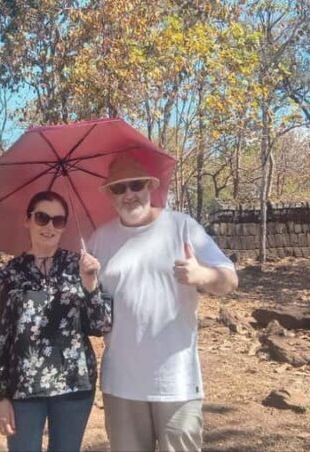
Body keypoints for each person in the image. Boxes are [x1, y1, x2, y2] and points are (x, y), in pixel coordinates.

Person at [87, 154, 238, 452]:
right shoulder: (98, 240)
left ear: (151, 186)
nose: (129, 194)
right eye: (119, 188)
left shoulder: (182, 227)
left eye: (136, 185)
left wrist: (202, 275)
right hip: (121, 383)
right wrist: (87, 284)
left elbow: (230, 281)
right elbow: (89, 307)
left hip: (176, 380)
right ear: (109, 195)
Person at [0, 190, 113, 452]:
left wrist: (90, 286)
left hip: (74, 384)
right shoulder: (9, 274)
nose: (50, 226)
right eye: (42, 218)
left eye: (59, 220)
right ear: (28, 220)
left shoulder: (79, 265)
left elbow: (100, 326)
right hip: (23, 386)